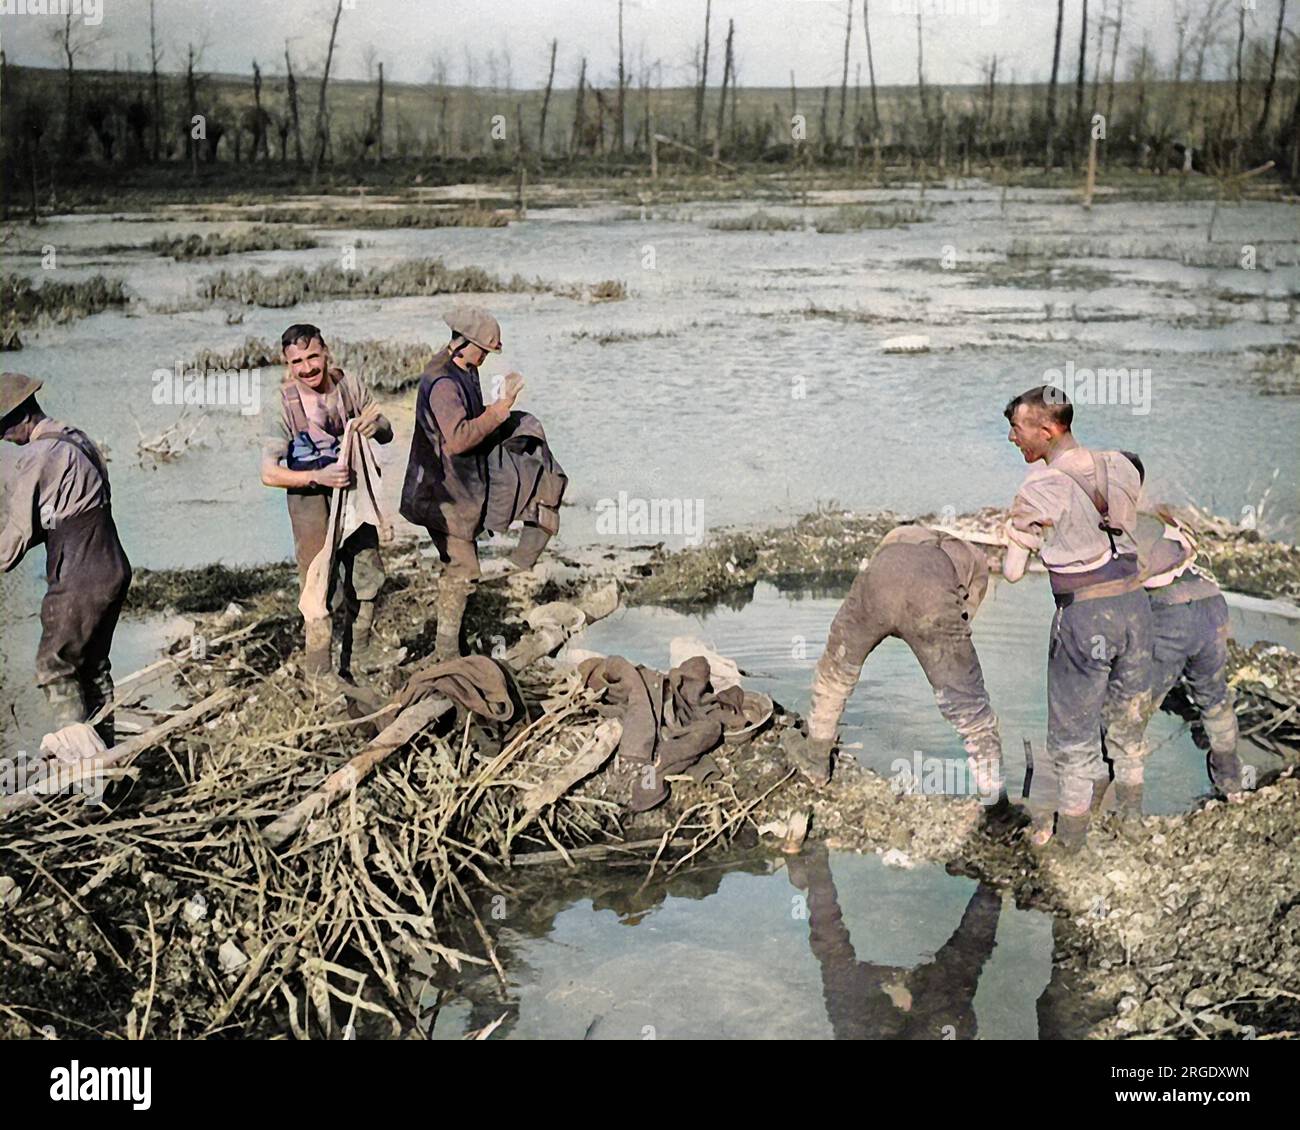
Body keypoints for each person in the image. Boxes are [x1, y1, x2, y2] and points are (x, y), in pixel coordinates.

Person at [1002, 386, 1151, 854]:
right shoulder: (1121, 463)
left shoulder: (1040, 486)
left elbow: (1010, 573)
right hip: (1136, 607)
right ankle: (1130, 824)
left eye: (1017, 429)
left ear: (1047, 431)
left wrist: (1013, 534)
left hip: (1085, 616)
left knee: (1072, 738)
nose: (1011, 438)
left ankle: (1069, 843)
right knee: (1127, 724)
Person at [783, 524, 1008, 818]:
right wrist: (921, 635)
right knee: (970, 707)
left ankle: (816, 759)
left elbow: (881, 573)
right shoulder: (976, 560)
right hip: (931, 598)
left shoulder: (901, 532)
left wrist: (893, 622)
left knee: (836, 671)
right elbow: (963, 619)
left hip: (879, 582)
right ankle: (997, 804)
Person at [400, 306, 556, 661]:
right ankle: (446, 653)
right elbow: (457, 438)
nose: (485, 357)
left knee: (461, 567)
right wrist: (500, 409)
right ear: (463, 344)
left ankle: (453, 646)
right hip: (439, 493)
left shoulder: (463, 368)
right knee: (464, 569)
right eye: (483, 350)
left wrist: (500, 412)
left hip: (458, 489)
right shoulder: (441, 382)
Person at [0, 373, 132, 745]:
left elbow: (15, 538)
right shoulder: (76, 437)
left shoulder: (38, 455)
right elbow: (70, 508)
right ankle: (105, 758)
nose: (3, 439)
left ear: (20, 416)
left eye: (3, 429)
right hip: (112, 563)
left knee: (54, 666)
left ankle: (81, 771)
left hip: (80, 571)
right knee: (91, 665)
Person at [261, 324, 392, 675]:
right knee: (319, 586)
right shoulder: (283, 404)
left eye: (313, 357)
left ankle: (359, 656)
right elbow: (269, 473)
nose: (307, 368)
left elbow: (386, 429)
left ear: (326, 352)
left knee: (367, 575)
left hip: (354, 493)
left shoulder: (349, 385)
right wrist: (316, 477)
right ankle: (319, 674)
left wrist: (374, 426)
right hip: (309, 500)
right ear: (287, 364)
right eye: (297, 361)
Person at [1122, 452, 1244, 799]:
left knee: (1131, 712)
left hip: (1171, 614)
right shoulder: (1164, 514)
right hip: (1211, 604)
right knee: (1214, 698)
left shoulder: (1130, 525)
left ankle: (1124, 811)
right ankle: (1231, 786)